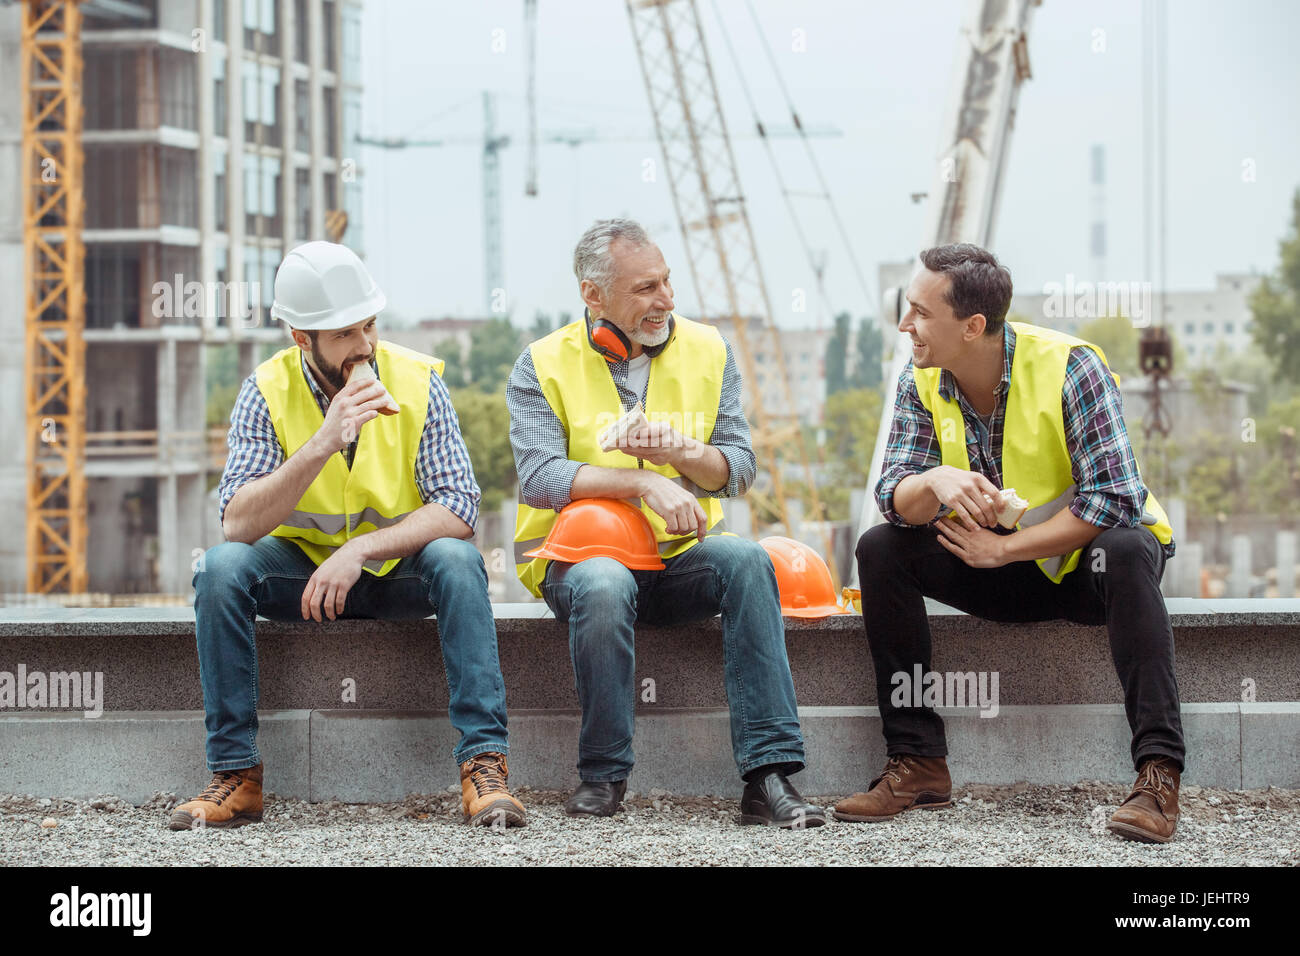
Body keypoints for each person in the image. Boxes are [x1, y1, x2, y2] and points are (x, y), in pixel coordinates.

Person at [834, 243, 1185, 844]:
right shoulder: (919, 379)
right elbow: (893, 496)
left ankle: (1158, 775)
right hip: (999, 568)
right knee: (880, 548)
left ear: (973, 327)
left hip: (1088, 570)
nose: (904, 324)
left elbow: (1115, 499)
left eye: (919, 312)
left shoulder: (1071, 366)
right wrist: (933, 480)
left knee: (1126, 548)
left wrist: (1005, 549)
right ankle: (918, 760)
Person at [173, 241, 524, 830]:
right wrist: (323, 440)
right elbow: (237, 522)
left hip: (396, 570)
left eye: (369, 325)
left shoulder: (418, 381)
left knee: (459, 560)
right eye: (343, 334)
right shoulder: (265, 389)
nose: (364, 345)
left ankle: (483, 768)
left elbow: (459, 505)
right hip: (304, 577)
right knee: (219, 569)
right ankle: (237, 775)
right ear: (300, 337)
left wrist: (359, 550)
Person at [506, 218, 823, 827]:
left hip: (679, 558)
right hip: (579, 564)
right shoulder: (542, 364)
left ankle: (768, 777)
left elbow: (737, 470)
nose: (666, 300)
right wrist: (642, 481)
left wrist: (680, 453)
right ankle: (603, 776)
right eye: (646, 287)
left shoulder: (709, 349)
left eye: (667, 282)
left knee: (750, 562)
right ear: (593, 295)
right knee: (604, 584)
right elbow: (540, 477)